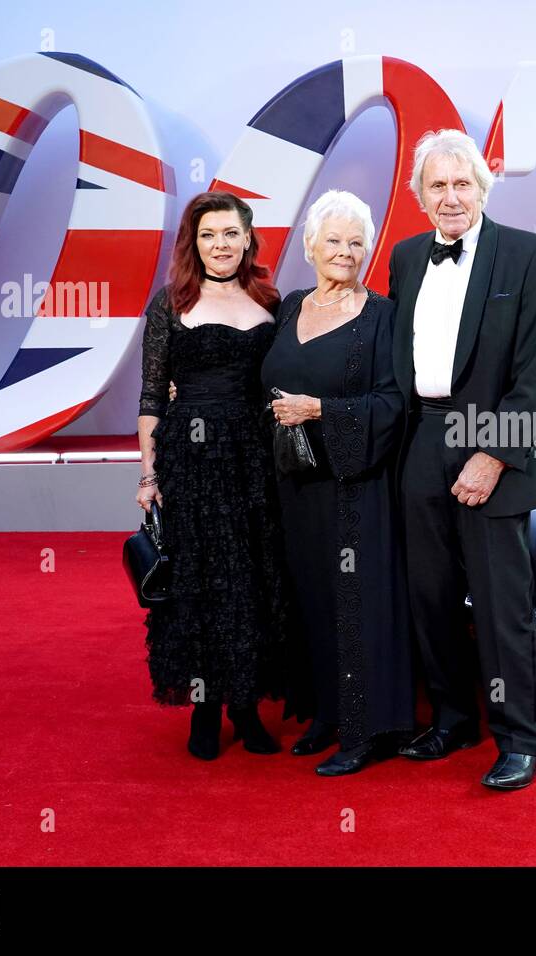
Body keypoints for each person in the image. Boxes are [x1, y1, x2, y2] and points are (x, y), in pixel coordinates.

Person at [388, 129, 536, 790]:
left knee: (500, 603)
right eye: (438, 185)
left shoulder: (529, 255)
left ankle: (521, 739)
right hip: (421, 438)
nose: (451, 197)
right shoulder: (406, 258)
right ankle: (454, 719)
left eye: (463, 184)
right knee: (428, 596)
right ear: (421, 196)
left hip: (493, 437)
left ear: (482, 189)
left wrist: (492, 453)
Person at [137, 190, 299, 760]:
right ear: (194, 242)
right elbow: (153, 396)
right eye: (208, 235)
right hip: (192, 463)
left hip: (254, 459)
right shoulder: (171, 303)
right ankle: (205, 711)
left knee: (254, 580)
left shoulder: (272, 303)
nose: (220, 245)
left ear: (248, 240)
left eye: (230, 234)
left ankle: (247, 707)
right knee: (202, 583)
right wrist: (149, 475)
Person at [261, 189, 413, 775]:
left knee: (359, 602)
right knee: (312, 600)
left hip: (357, 485)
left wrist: (321, 410)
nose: (345, 252)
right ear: (309, 246)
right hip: (295, 487)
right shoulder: (289, 307)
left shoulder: (383, 316)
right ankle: (326, 711)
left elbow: (395, 403)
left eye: (356, 243)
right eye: (333, 241)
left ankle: (366, 729)